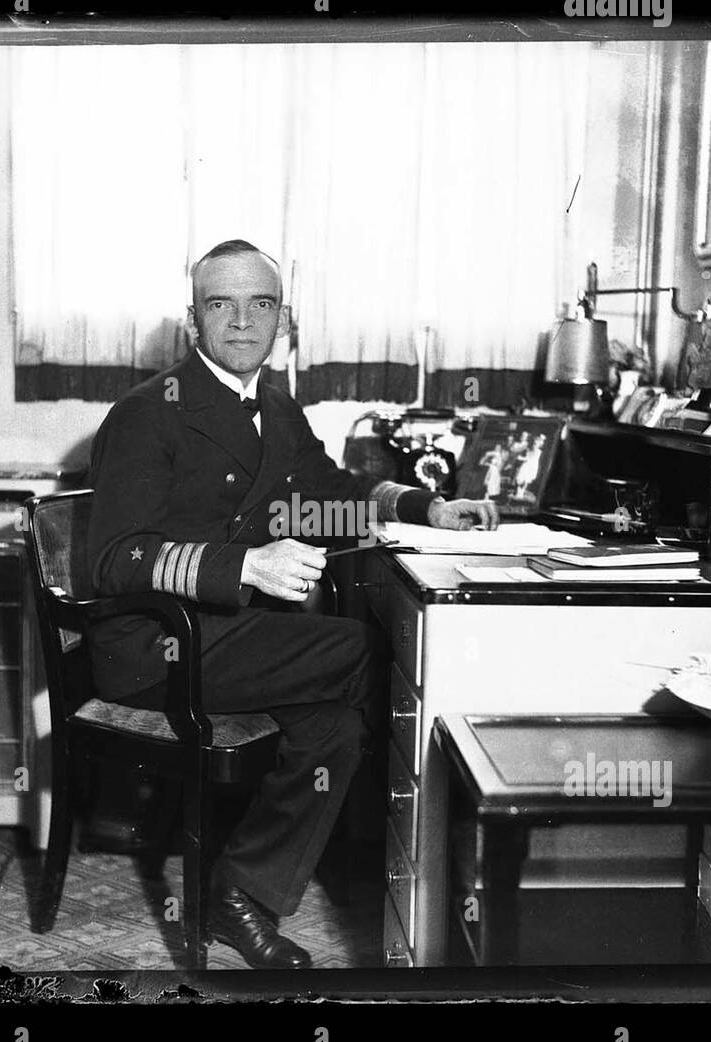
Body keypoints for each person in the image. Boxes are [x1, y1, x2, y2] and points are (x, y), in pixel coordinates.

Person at [86, 239, 497, 968]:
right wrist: (245, 563)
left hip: (231, 637)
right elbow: (118, 558)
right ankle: (446, 851)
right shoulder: (146, 414)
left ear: (285, 319)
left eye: (261, 304)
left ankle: (239, 895)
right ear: (192, 321)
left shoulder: (275, 407)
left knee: (335, 728)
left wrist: (427, 508)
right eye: (222, 304)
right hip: (156, 645)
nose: (242, 321)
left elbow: (329, 494)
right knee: (373, 651)